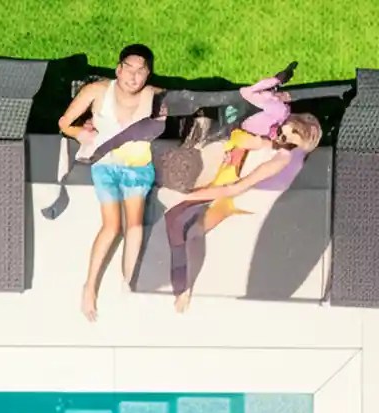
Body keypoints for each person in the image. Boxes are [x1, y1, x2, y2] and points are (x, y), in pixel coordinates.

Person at [164, 112, 322, 312]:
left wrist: (186, 197)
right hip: (247, 190)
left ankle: (186, 288)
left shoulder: (281, 160)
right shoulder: (287, 150)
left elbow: (234, 190)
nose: (282, 134)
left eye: (291, 134)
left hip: (244, 199)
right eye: (285, 129)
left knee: (195, 232)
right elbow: (262, 144)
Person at [57, 44, 165, 322]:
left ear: (147, 75)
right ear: (118, 69)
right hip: (106, 165)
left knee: (136, 225)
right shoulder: (97, 92)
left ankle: (129, 282)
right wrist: (80, 132)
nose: (133, 76)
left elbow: (160, 128)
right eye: (128, 69)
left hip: (138, 168)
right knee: (112, 226)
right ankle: (89, 286)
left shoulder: (154, 97)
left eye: (140, 71)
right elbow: (64, 123)